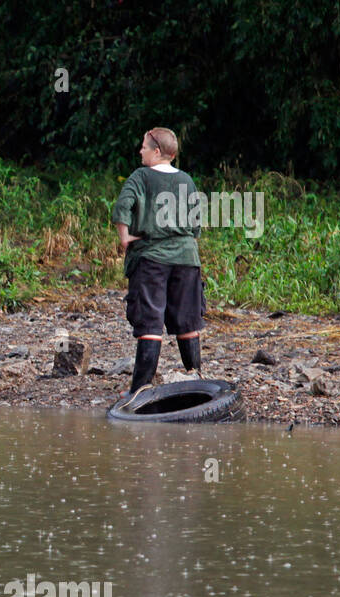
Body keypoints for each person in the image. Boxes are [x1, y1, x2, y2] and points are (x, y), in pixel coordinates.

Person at [111, 127, 204, 405]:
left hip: (152, 259)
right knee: (187, 320)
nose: (139, 151)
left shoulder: (140, 177)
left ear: (156, 152)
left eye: (143, 147)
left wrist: (125, 237)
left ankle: (139, 389)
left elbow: (122, 207)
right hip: (187, 259)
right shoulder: (186, 179)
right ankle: (195, 377)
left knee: (150, 320)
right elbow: (196, 222)